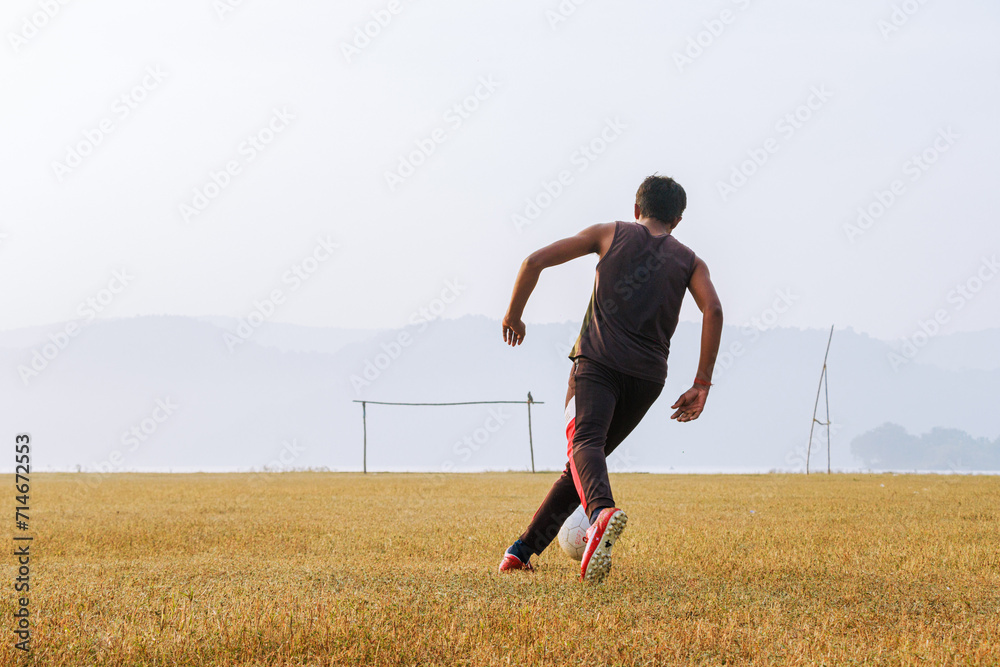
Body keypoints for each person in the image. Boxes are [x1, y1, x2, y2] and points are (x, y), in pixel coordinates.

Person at [497, 175, 724, 583]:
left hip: (597, 365)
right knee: (585, 461)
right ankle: (521, 551)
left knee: (582, 444)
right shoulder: (690, 260)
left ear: (637, 209)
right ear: (678, 218)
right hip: (648, 379)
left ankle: (601, 512)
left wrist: (514, 314)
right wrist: (702, 384)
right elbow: (714, 311)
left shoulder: (609, 233)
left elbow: (534, 261)